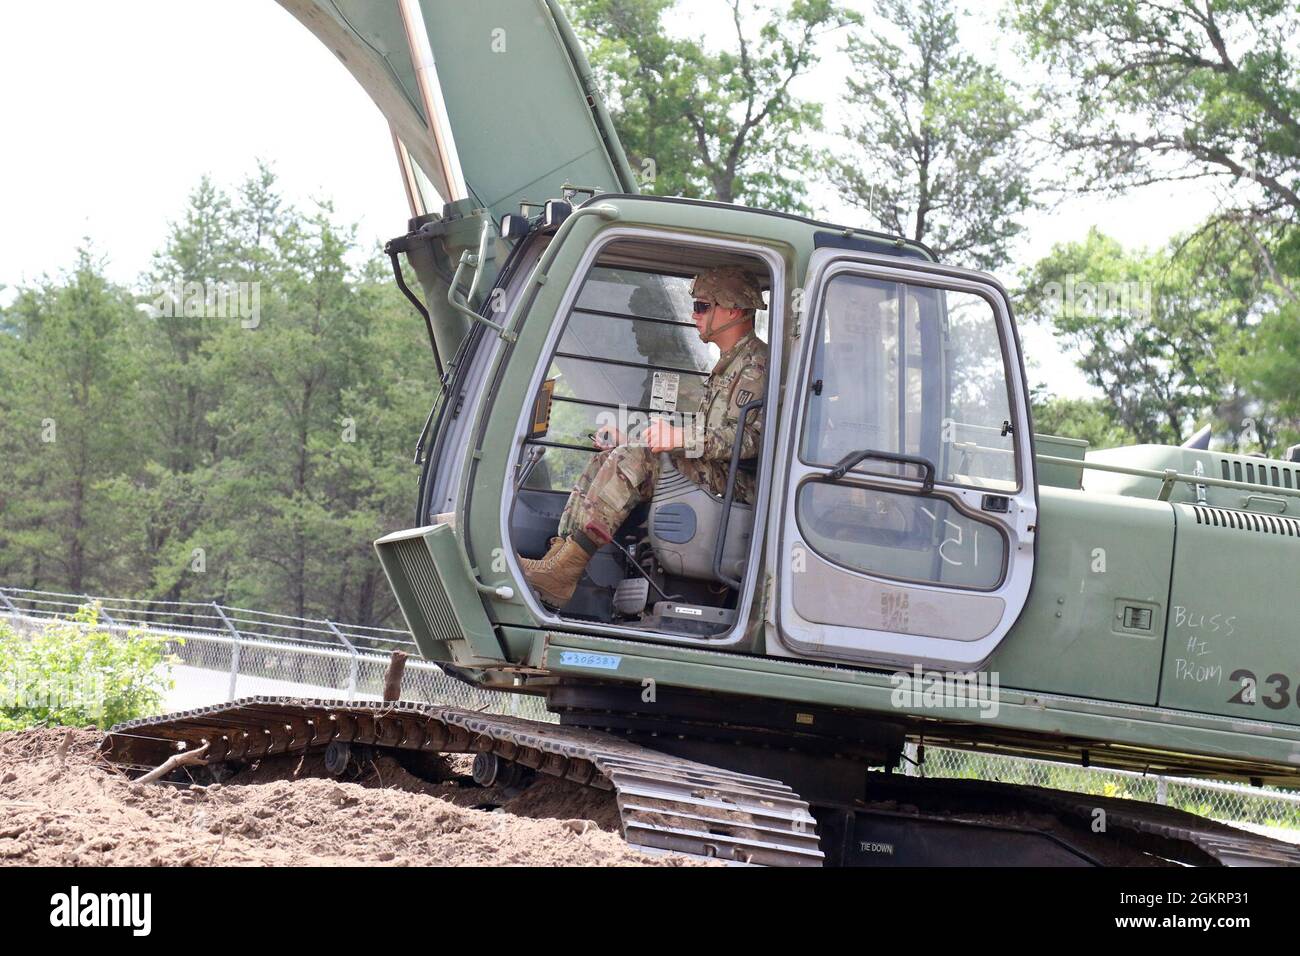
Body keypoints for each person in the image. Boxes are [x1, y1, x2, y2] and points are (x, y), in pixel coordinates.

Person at [520, 266, 769, 608]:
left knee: (634, 456)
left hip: (737, 485)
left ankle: (563, 572)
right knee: (614, 454)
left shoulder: (756, 365)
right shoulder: (730, 362)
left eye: (702, 307)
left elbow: (748, 441)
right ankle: (559, 560)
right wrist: (638, 439)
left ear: (733, 310)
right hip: (715, 473)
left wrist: (678, 438)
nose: (694, 316)